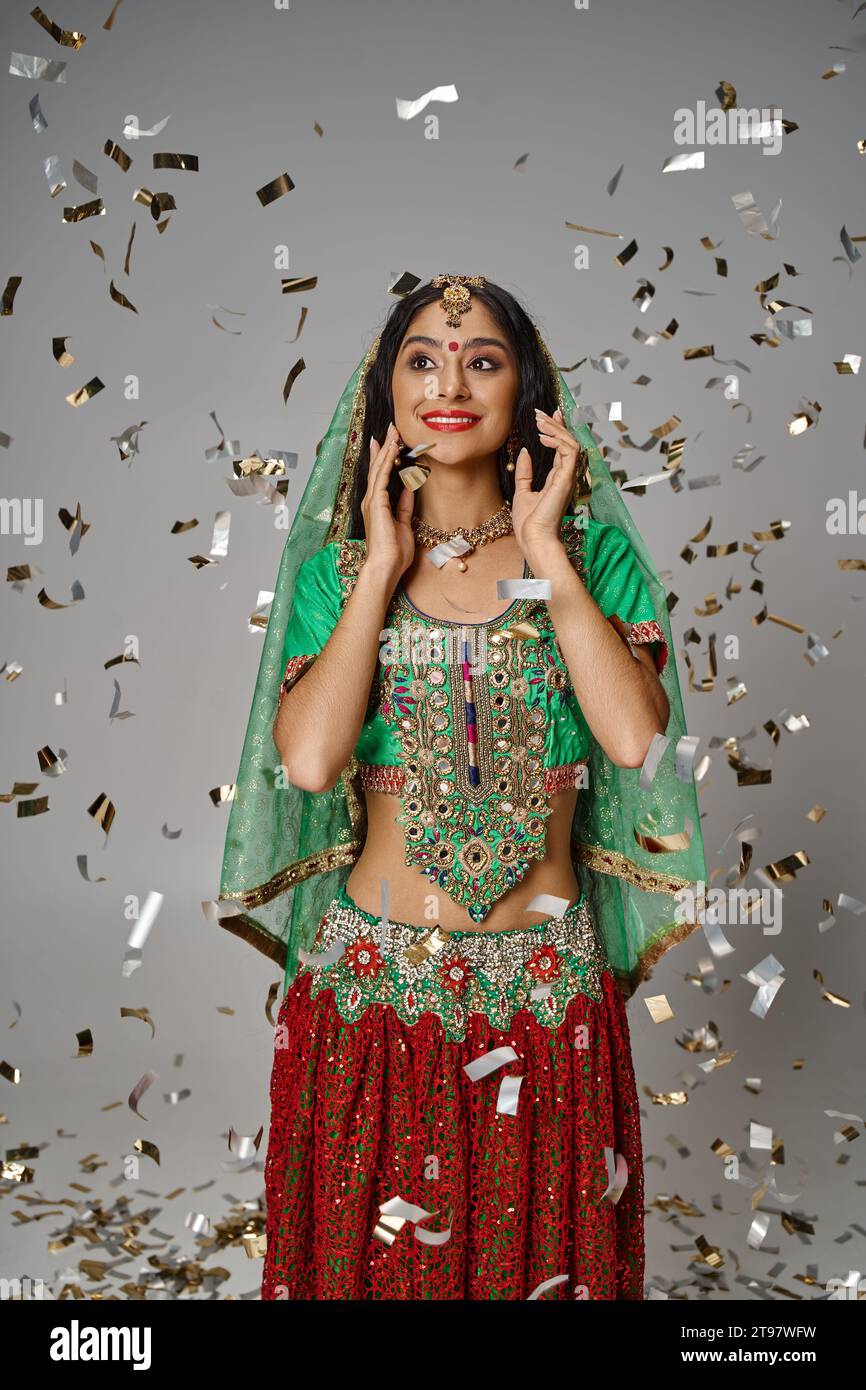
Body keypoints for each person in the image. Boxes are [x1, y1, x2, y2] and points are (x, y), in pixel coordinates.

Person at [218, 274, 707, 1300]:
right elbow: (306, 762)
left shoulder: (588, 558)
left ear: (523, 391)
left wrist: (544, 556)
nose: (450, 381)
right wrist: (378, 569)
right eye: (424, 360)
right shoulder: (339, 570)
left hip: (546, 1005)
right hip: (375, 1001)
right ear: (384, 397)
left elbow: (632, 740)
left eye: (482, 359)